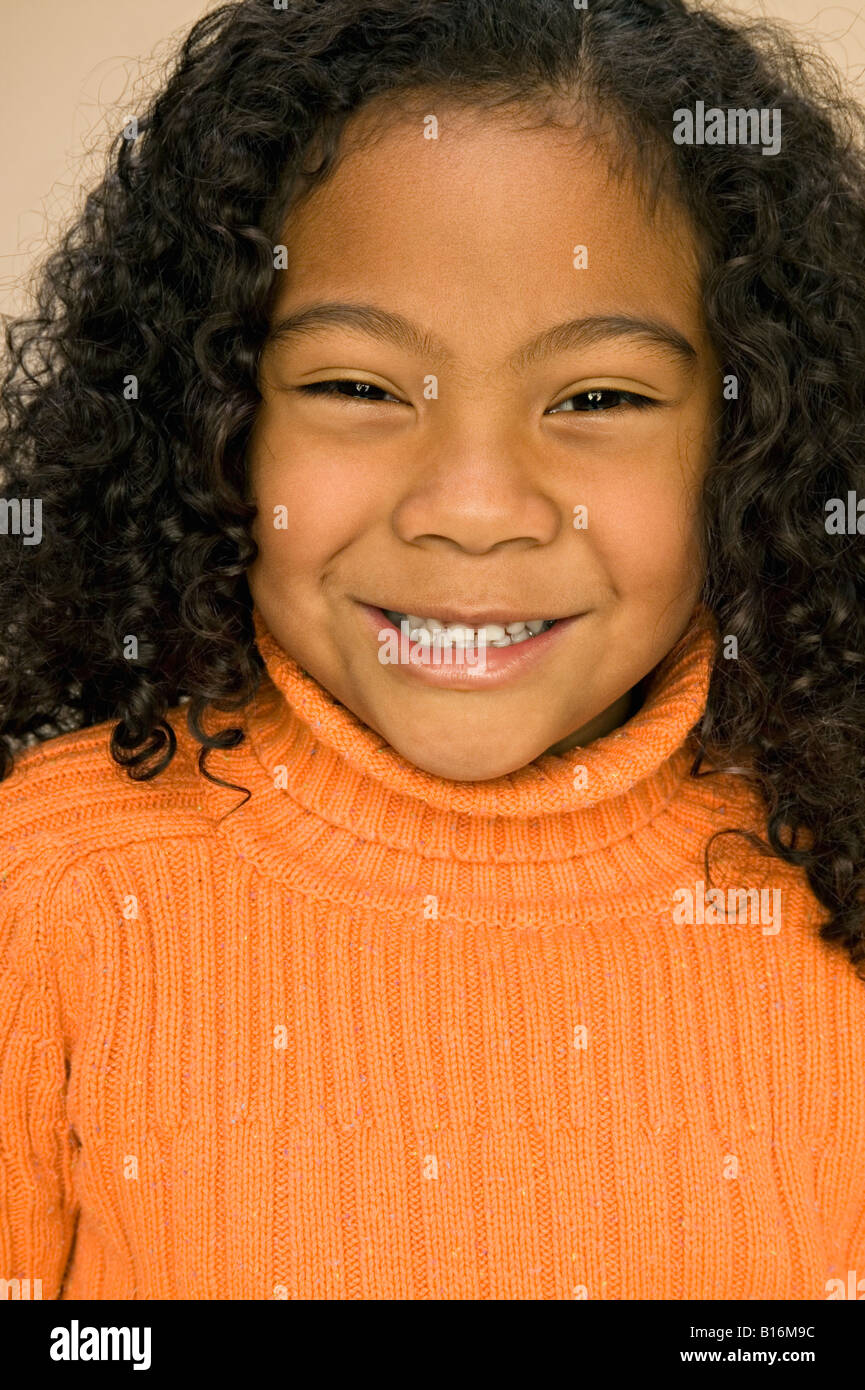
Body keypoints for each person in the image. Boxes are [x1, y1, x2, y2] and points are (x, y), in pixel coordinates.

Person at [1, 0, 865, 1299]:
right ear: (214, 421)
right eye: (356, 387)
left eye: (598, 399)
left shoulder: (836, 883)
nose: (470, 505)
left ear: (749, 446)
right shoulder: (53, 889)